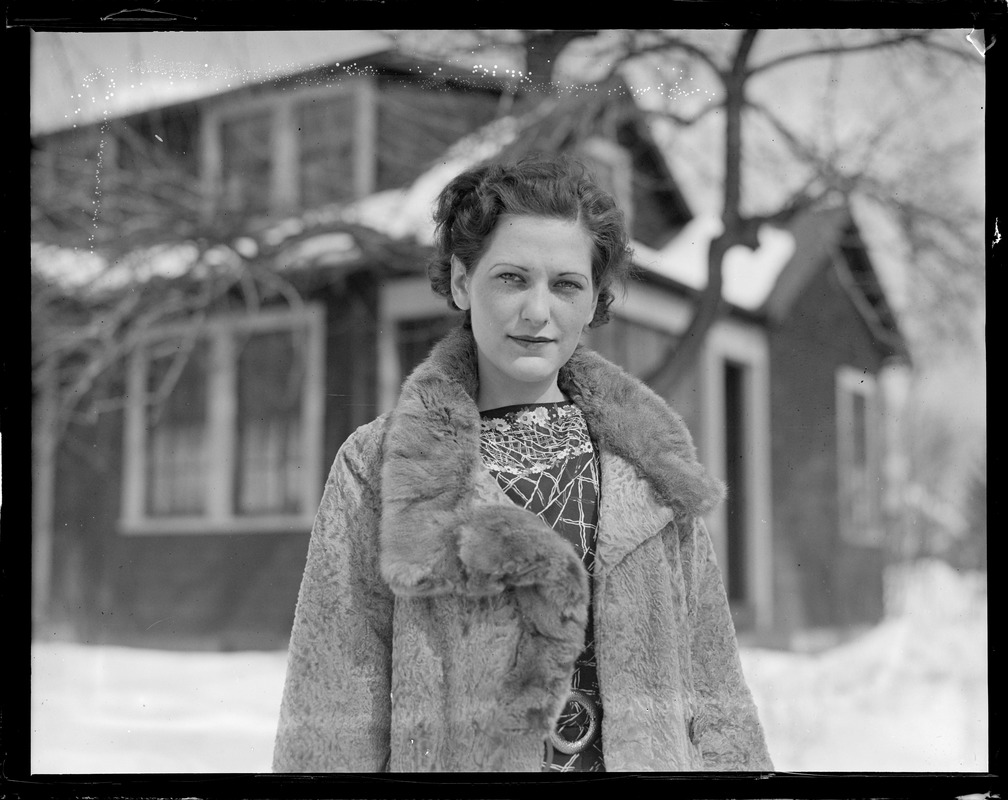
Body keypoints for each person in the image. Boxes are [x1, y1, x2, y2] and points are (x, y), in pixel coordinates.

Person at [272, 153, 773, 772]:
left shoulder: (647, 465)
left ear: (594, 300)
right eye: (512, 278)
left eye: (566, 284)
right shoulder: (376, 465)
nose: (538, 311)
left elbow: (714, 686)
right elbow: (332, 706)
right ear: (461, 282)